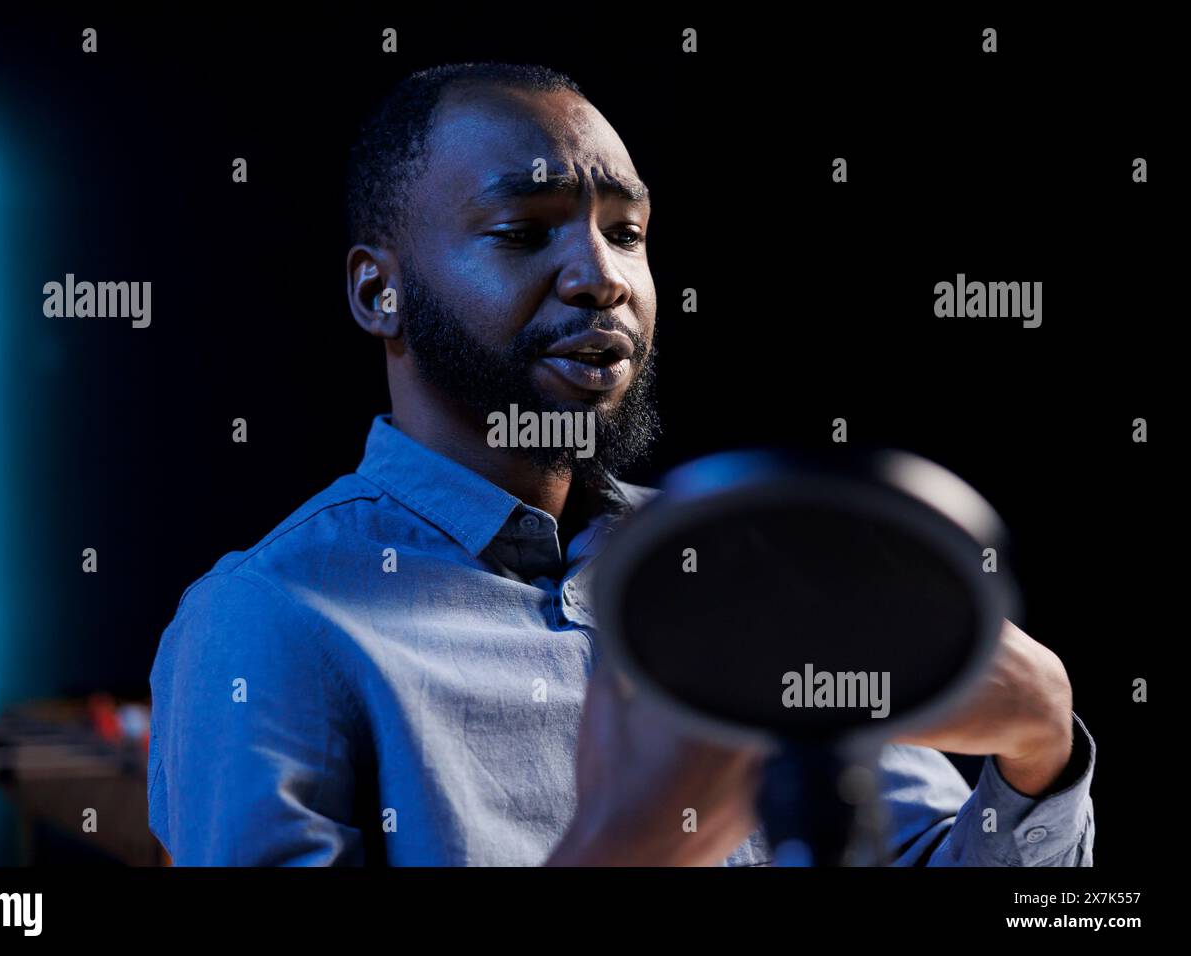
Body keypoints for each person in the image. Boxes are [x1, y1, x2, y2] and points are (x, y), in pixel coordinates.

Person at [147, 63, 1094, 866]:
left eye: (628, 233)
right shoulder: (266, 619)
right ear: (377, 291)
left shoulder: (739, 567)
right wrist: (628, 847)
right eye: (524, 232)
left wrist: (1040, 752)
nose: (602, 276)